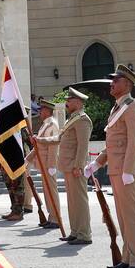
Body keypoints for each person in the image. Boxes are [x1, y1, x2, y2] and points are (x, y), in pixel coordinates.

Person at [86, 65, 135, 268]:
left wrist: (128, 169)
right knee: (122, 216)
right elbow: (114, 143)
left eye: (116, 80)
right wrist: (98, 162)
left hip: (126, 170)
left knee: (132, 216)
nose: (111, 83)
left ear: (127, 84)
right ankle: (128, 257)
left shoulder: (133, 107)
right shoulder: (117, 108)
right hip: (117, 169)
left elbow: (133, 142)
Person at [58, 89, 93, 243]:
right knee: (73, 202)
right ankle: (75, 231)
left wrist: (78, 166)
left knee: (79, 201)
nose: (67, 102)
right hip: (69, 166)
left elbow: (83, 145)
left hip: (75, 167)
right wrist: (39, 140)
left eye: (69, 100)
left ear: (78, 102)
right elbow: (60, 138)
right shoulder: (73, 118)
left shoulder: (82, 119)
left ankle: (84, 234)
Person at [32, 98, 61, 230]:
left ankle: (56, 218)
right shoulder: (45, 124)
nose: (40, 112)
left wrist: (52, 165)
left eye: (42, 109)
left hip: (48, 164)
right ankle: (51, 217)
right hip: (43, 164)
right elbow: (40, 144)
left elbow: (53, 145)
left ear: (48, 111)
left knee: (51, 192)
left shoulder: (52, 125)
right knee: (47, 192)